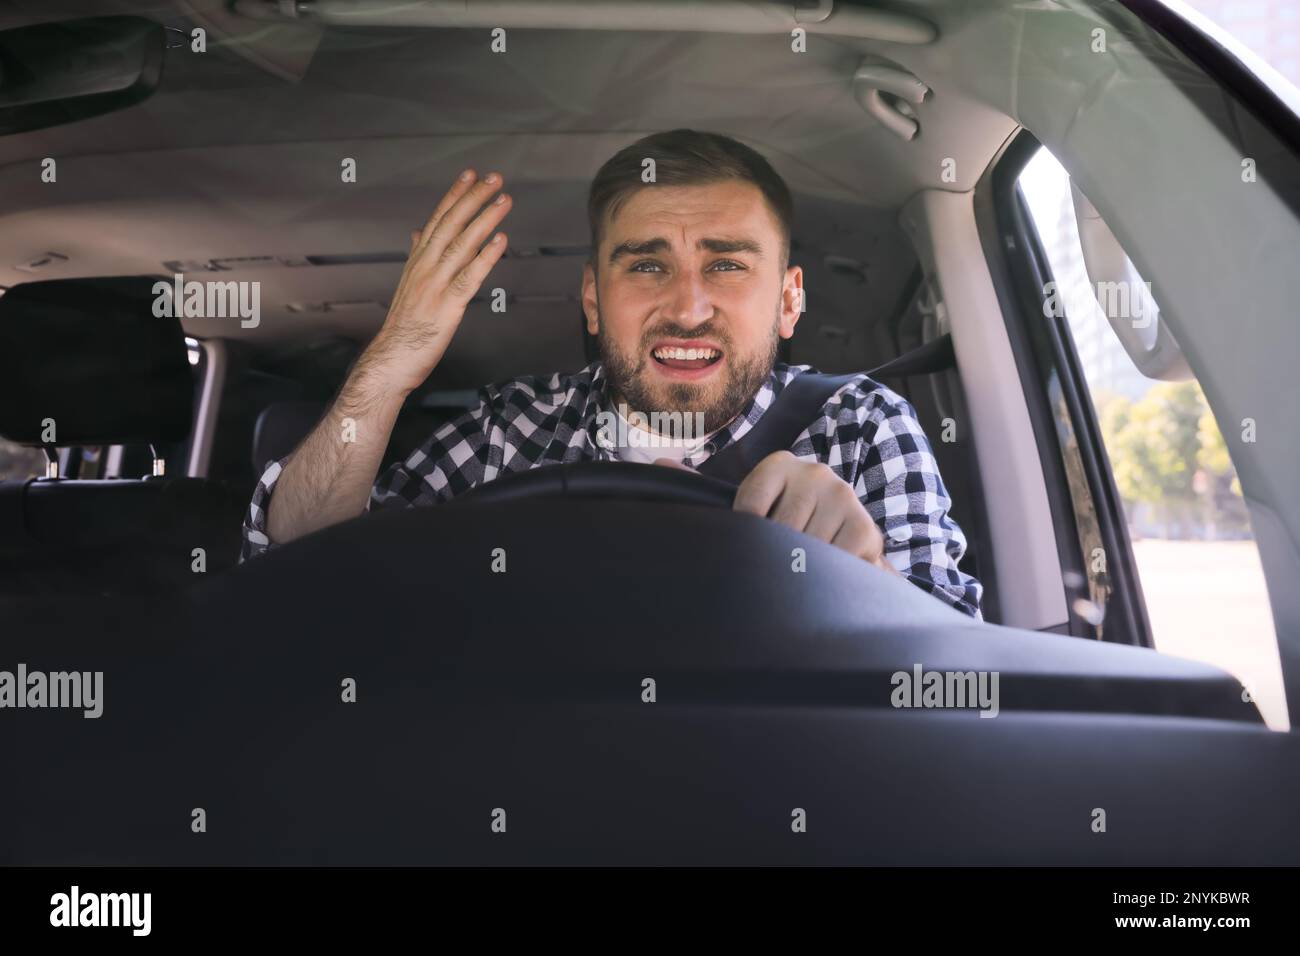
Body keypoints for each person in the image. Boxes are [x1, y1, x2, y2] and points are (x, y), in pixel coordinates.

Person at [240, 129, 982, 618]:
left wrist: (862, 580)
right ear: (594, 300)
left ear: (789, 301)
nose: (688, 308)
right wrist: (393, 359)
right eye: (647, 265)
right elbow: (292, 576)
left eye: (726, 264)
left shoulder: (859, 425)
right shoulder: (511, 429)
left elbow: (961, 686)